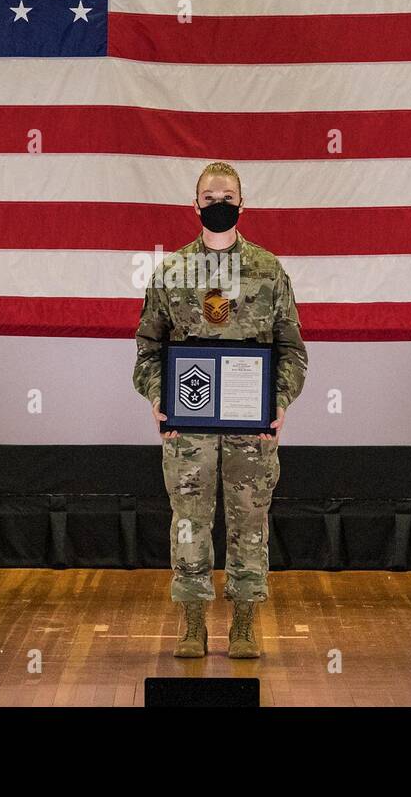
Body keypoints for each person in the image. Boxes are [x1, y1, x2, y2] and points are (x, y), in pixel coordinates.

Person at [133, 162, 308, 658]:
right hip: (187, 428)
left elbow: (291, 350)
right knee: (188, 519)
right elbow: (148, 349)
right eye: (208, 197)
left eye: (226, 195)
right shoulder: (170, 272)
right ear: (194, 206)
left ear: (242, 203)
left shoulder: (269, 271)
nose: (218, 203)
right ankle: (192, 622)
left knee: (250, 520)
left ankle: (245, 622)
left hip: (250, 430)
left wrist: (278, 403)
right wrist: (157, 397)